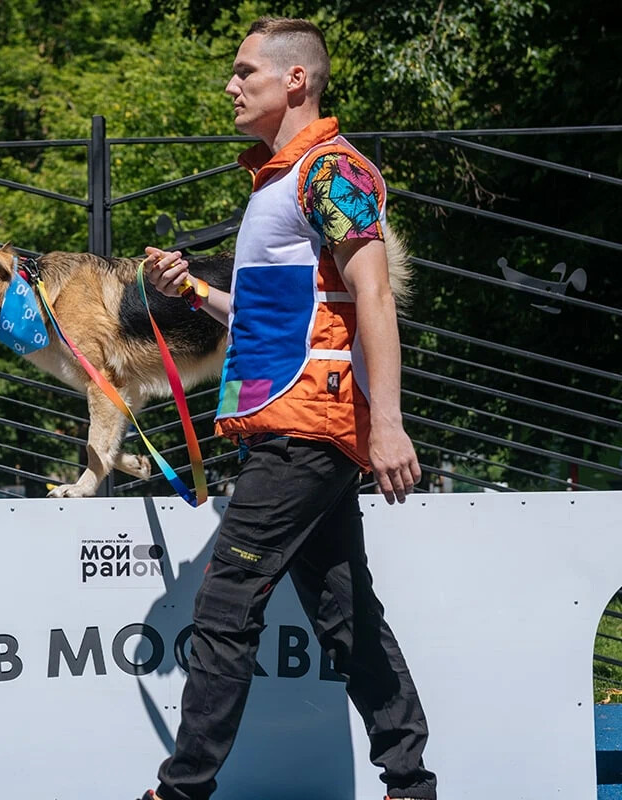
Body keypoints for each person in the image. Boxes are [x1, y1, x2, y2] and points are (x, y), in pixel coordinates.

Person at [138, 16, 437, 800]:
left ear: (295, 80)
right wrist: (192, 291)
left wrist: (391, 423)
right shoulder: (280, 179)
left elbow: (374, 294)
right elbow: (280, 317)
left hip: (309, 426)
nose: (231, 87)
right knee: (344, 617)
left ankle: (182, 790)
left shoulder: (333, 171)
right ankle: (411, 784)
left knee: (226, 600)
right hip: (289, 419)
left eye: (246, 73)